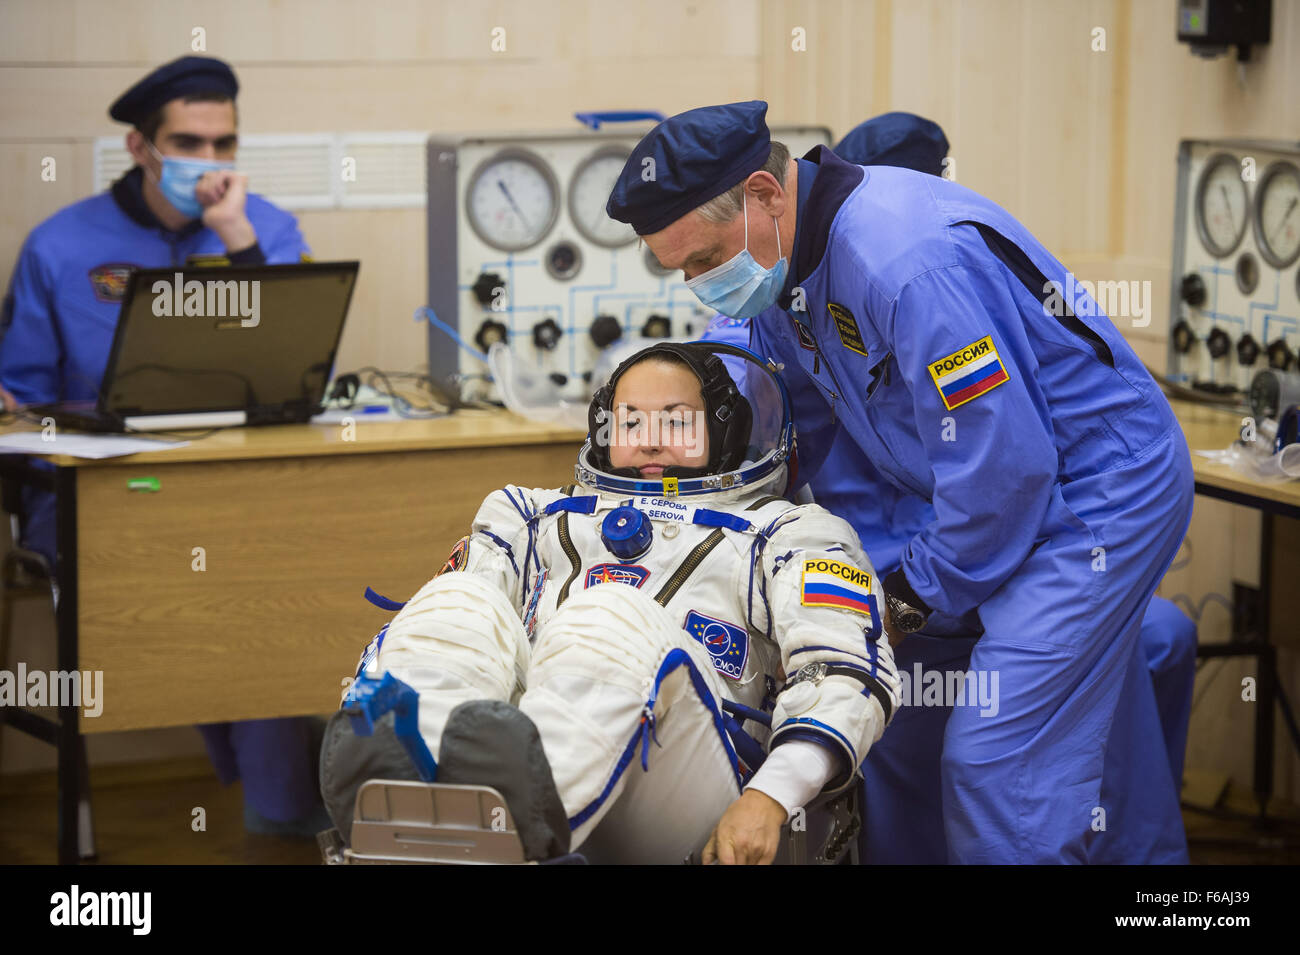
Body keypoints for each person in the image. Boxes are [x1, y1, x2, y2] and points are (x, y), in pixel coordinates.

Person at [608, 101, 1194, 863]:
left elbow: (1004, 466)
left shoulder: (905, 262)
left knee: (997, 761)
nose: (696, 284)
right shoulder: (789, 268)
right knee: (900, 700)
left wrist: (912, 594)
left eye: (702, 258)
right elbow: (800, 422)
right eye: (678, 268)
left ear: (764, 193)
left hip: (1098, 498)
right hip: (988, 494)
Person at [323, 342, 902, 864]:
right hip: (524, 751)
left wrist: (770, 797)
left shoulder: (784, 533)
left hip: (699, 779)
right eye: (630, 422)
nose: (649, 439)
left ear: (724, 430)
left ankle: (512, 826)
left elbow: (848, 673)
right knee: (456, 601)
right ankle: (407, 809)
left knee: (605, 614)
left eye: (676, 422)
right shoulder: (529, 515)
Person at [0, 56, 325, 837]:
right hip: (94, 497)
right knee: (192, 592)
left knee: (280, 582)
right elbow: (19, 400)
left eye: (225, 145)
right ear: (141, 146)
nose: (209, 165)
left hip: (237, 491)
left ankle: (281, 822)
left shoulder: (267, 228)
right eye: (188, 143)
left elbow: (304, 376)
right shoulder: (60, 244)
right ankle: (279, 797)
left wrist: (237, 241)